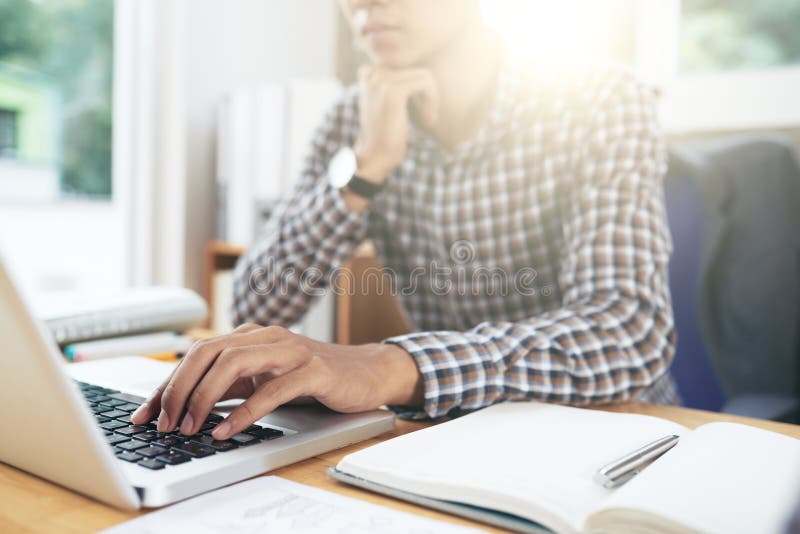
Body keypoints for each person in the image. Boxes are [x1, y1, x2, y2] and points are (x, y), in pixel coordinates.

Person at [133, 0, 678, 439]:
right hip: (448, 435)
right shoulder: (354, 115)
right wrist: (365, 172)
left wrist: (386, 367)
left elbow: (628, 332)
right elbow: (256, 303)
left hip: (610, 433)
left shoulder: (603, 101)